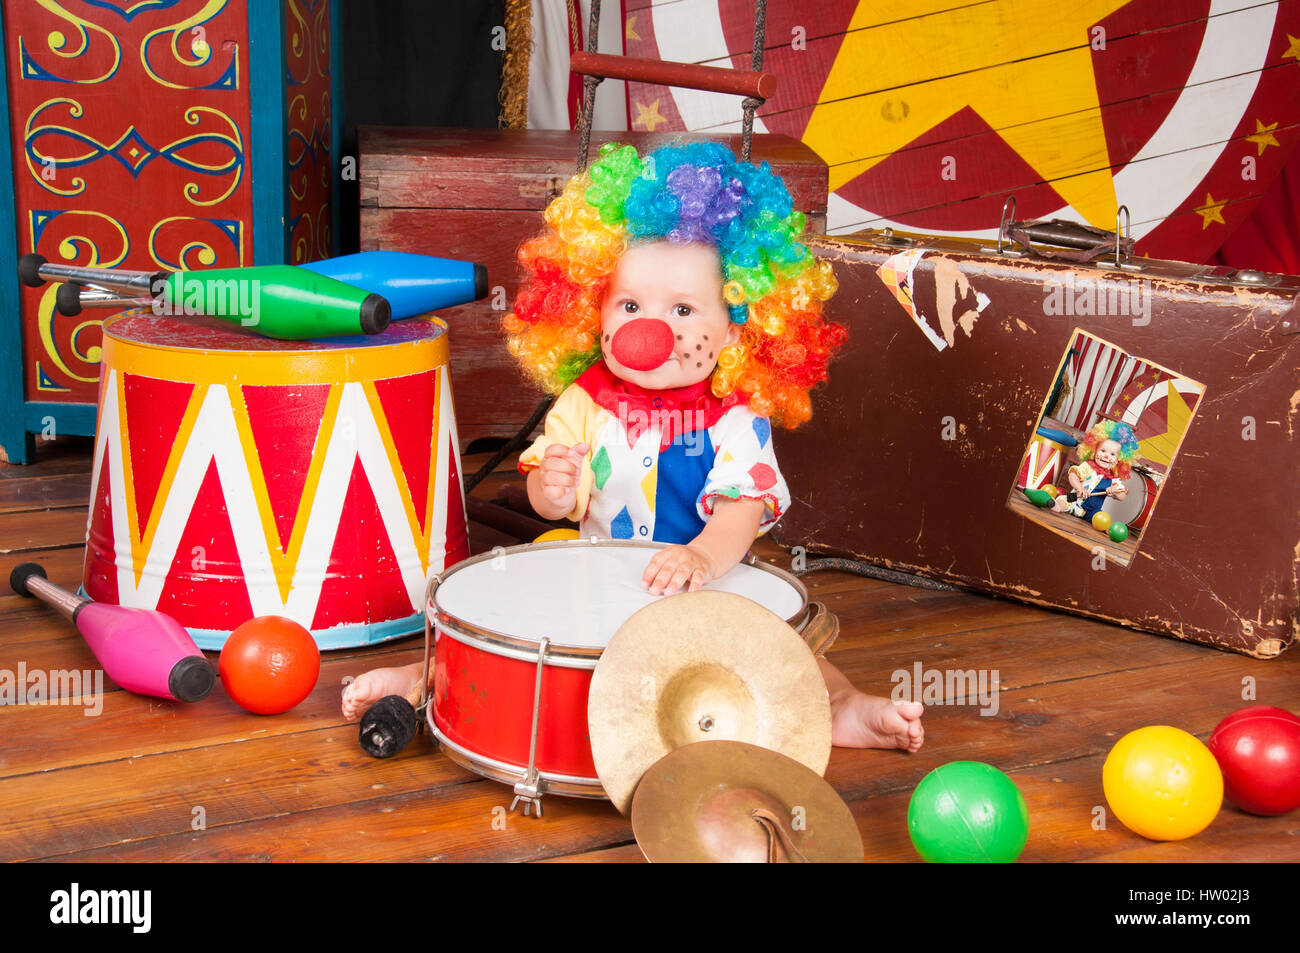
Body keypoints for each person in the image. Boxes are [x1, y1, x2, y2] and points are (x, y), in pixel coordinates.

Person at [343, 142, 924, 753]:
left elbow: (741, 510)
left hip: (703, 582)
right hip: (597, 574)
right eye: (629, 305)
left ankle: (840, 706)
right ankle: (423, 679)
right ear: (593, 313)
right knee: (524, 617)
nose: (653, 330)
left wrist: (700, 558)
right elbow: (548, 501)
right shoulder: (586, 401)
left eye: (682, 308)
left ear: (734, 325)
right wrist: (553, 486)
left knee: (771, 639)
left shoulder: (735, 417)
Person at [1051, 420, 1138, 520]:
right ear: (1094, 450)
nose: (1106, 456)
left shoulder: (1113, 479)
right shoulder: (1088, 466)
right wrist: (1080, 488)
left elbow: (1123, 495)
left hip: (1092, 511)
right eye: (1103, 450)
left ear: (1119, 460)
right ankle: (1056, 506)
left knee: (1101, 518)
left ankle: (1106, 528)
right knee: (1063, 500)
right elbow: (1073, 475)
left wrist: (1115, 492)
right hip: (1074, 500)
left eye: (1112, 454)